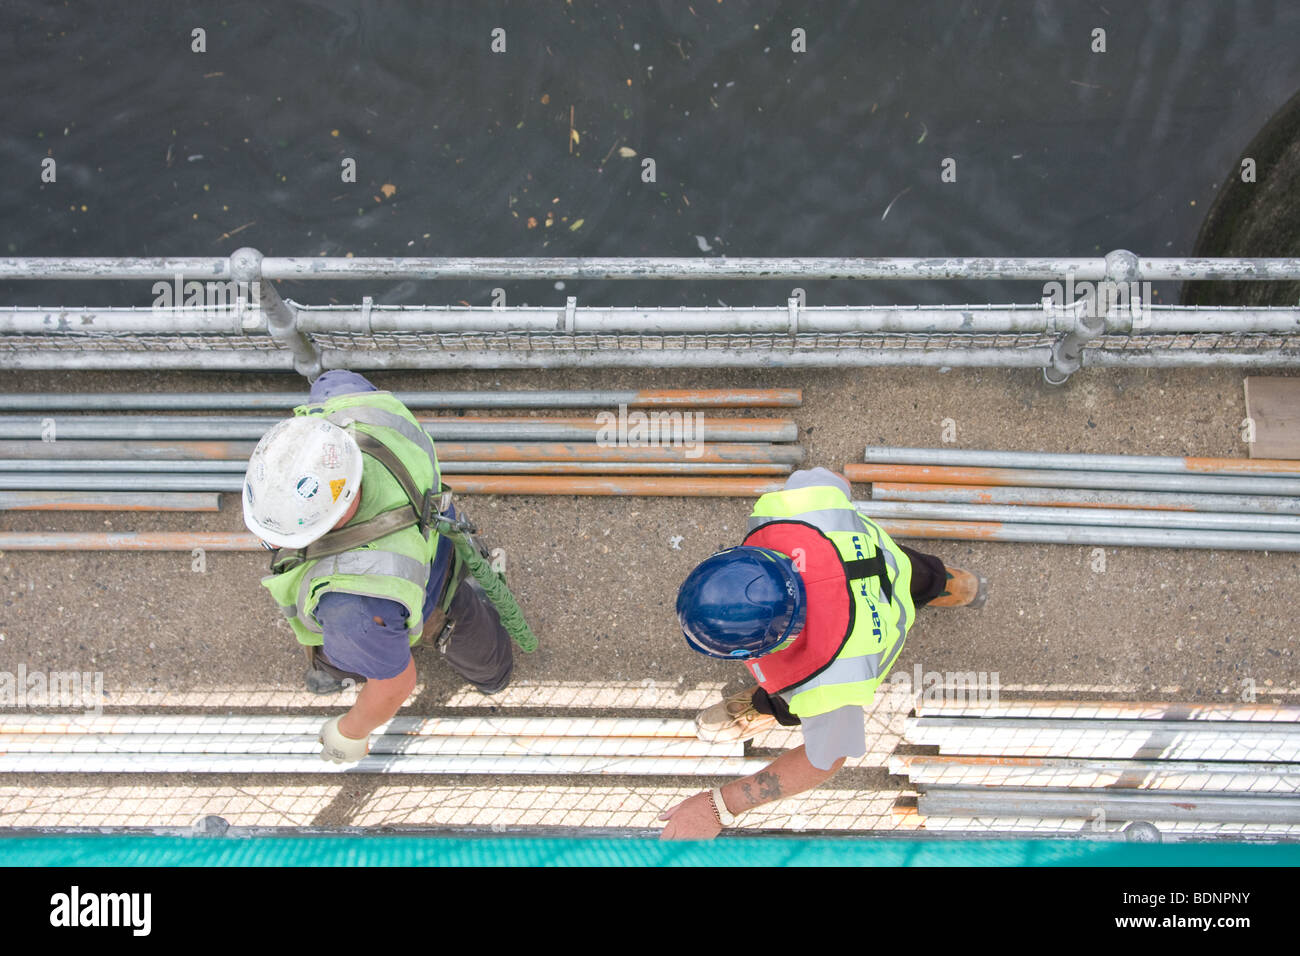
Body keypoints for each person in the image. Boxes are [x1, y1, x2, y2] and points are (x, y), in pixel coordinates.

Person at [659, 466, 984, 839]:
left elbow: (825, 758)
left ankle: (766, 707)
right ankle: (960, 587)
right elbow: (832, 479)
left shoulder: (828, 684)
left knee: (792, 699)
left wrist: (718, 806)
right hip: (888, 566)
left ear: (775, 642)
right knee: (924, 575)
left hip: (859, 643)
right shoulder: (805, 505)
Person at [242, 370, 513, 763]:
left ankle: (342, 665)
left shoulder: (352, 604)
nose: (273, 545)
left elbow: (394, 686)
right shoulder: (347, 401)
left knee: (483, 667)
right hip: (437, 541)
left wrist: (348, 733)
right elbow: (332, 379)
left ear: (335, 514)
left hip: (422, 599)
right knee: (478, 659)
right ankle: (484, 672)